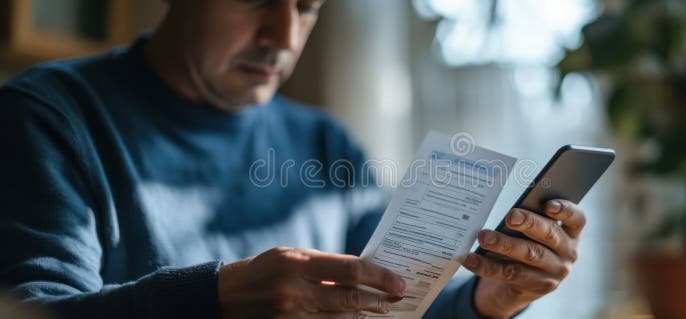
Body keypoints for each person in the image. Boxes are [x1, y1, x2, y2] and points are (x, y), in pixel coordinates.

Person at [0, 0, 586, 318]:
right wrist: (217, 298)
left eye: (307, 6)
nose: (283, 34)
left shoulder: (327, 145)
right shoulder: (48, 118)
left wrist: (493, 299)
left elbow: (394, 304)